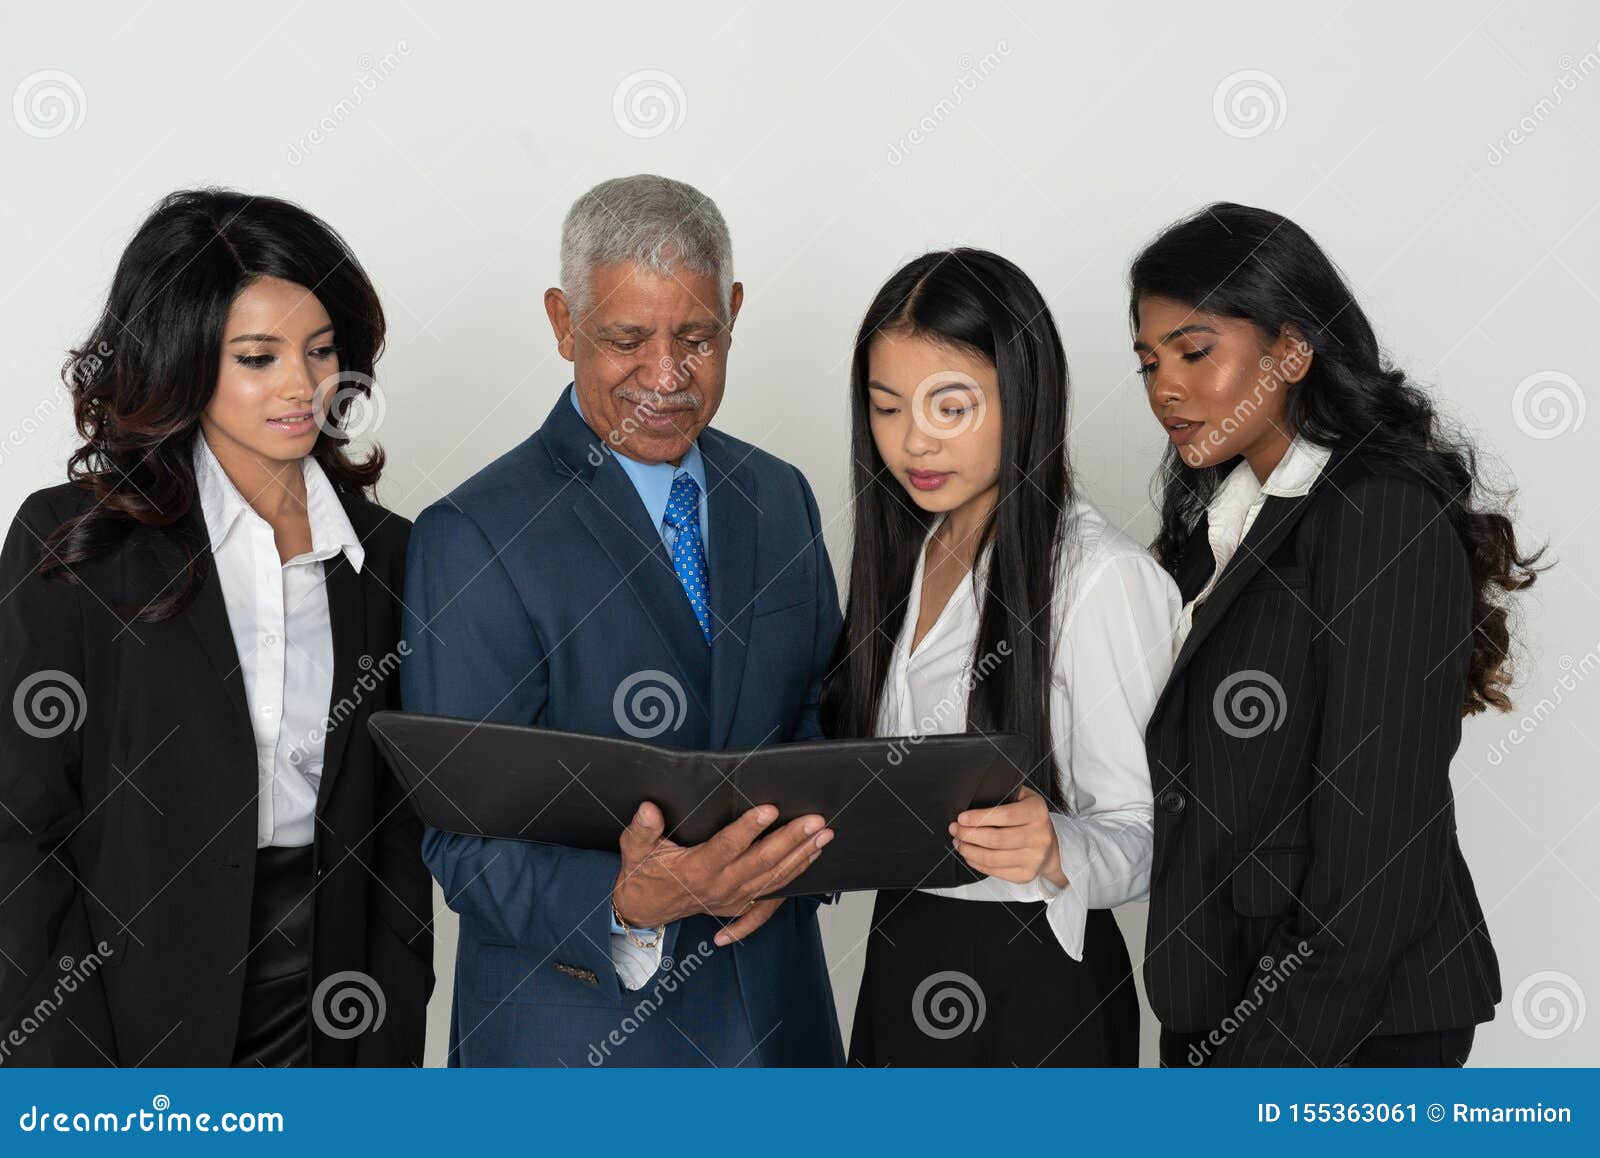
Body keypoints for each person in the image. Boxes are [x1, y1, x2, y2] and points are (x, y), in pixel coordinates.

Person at [402, 174, 842, 1067]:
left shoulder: (779, 495)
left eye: (697, 337)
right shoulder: (475, 533)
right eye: (626, 340)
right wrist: (631, 899)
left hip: (778, 1030)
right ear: (564, 323)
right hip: (574, 1052)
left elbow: (824, 727)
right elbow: (459, 838)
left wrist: (793, 867)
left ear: (735, 313)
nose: (667, 377)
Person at [0, 189, 433, 1066]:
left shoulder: (387, 555)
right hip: (123, 1003)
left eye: (320, 351)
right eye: (257, 357)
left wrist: (389, 1007)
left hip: (336, 1006)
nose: (301, 387)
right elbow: (18, 826)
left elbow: (399, 824)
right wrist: (65, 1065)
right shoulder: (76, 543)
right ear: (184, 358)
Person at [1132, 202, 1545, 1067]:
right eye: (1148, 360)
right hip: (1217, 994)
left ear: (1291, 350)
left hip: (1352, 1022)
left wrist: (1271, 1057)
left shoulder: (1377, 511)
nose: (1165, 385)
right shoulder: (1216, 529)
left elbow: (1384, 839)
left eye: (1195, 351)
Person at [822, 249, 1180, 1066]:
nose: (914, 439)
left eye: (951, 407)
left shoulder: (1100, 579)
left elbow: (1156, 833)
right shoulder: (906, 550)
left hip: (1035, 993)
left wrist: (1057, 845)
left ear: (1024, 395)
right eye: (886, 407)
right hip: (901, 953)